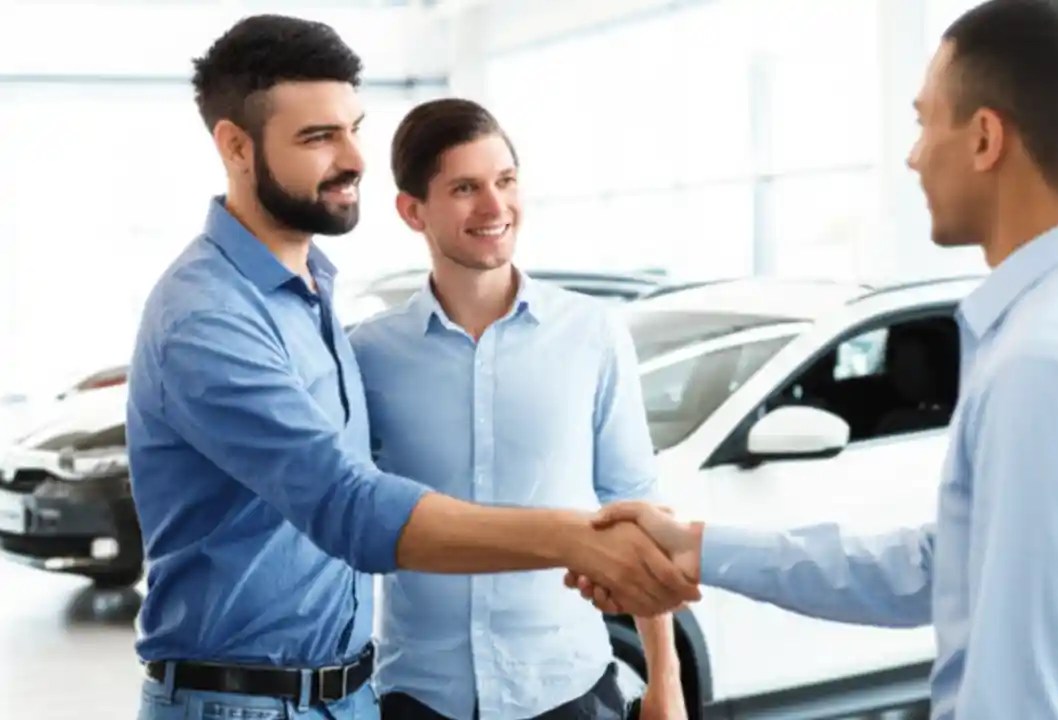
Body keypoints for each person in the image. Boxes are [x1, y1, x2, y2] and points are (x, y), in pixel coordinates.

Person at [568, 1, 1058, 718]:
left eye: (922, 120)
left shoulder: (1048, 362)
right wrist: (699, 547)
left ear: (983, 138)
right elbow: (944, 568)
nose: (912, 156)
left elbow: (1029, 699)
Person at [126, 15, 697, 720]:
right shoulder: (211, 316)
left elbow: (631, 489)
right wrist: (572, 538)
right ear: (236, 147)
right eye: (318, 137)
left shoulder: (309, 302)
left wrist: (662, 675)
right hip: (253, 704)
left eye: (353, 128)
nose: (355, 158)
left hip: (354, 694)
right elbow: (348, 506)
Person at [347, 98, 686, 720]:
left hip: (566, 687)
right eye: (465, 188)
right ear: (412, 210)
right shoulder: (369, 354)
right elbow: (344, 518)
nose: (495, 206)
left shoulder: (592, 332)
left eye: (505, 181)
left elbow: (634, 505)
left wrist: (666, 681)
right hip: (419, 695)